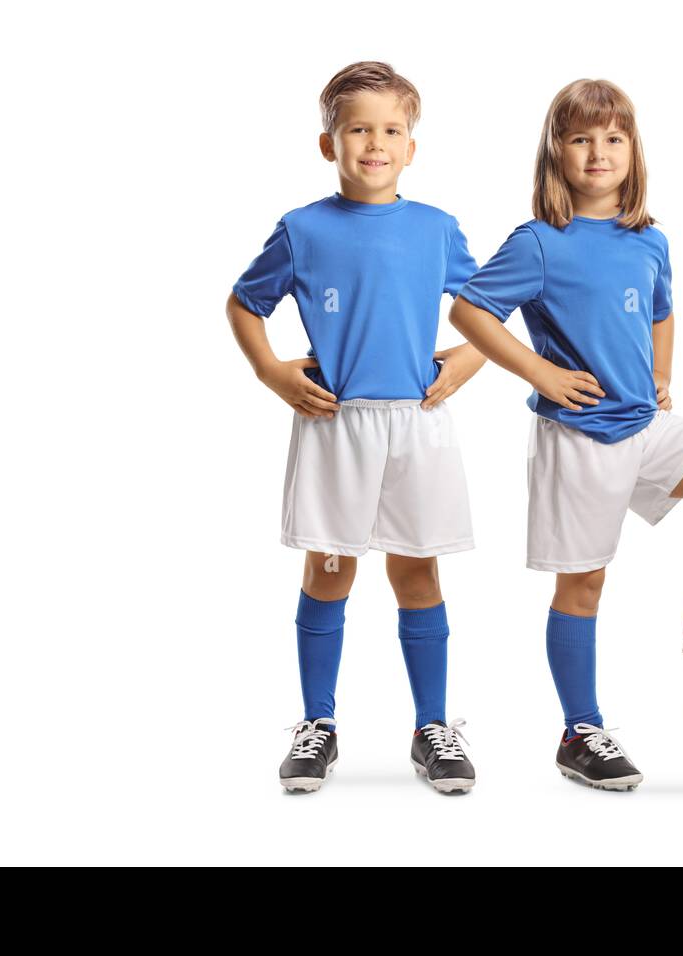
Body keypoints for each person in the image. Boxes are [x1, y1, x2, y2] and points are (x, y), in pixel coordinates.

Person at [449, 78, 683, 791]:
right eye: (580, 139)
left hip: (645, 423)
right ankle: (581, 732)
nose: (597, 151)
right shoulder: (540, 242)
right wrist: (542, 373)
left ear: (633, 151)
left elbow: (662, 309)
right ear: (556, 154)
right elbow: (471, 314)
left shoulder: (649, 238)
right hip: (578, 438)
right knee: (585, 585)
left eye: (612, 138)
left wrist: (663, 372)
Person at [226, 62, 484, 794]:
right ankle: (318, 726)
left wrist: (464, 363)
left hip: (415, 424)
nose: (375, 142)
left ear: (412, 146)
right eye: (358, 129)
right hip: (335, 424)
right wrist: (272, 372)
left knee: (416, 569)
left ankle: (432, 727)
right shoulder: (302, 230)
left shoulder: (436, 229)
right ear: (327, 143)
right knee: (330, 570)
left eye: (392, 130)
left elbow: (492, 307)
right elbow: (244, 303)